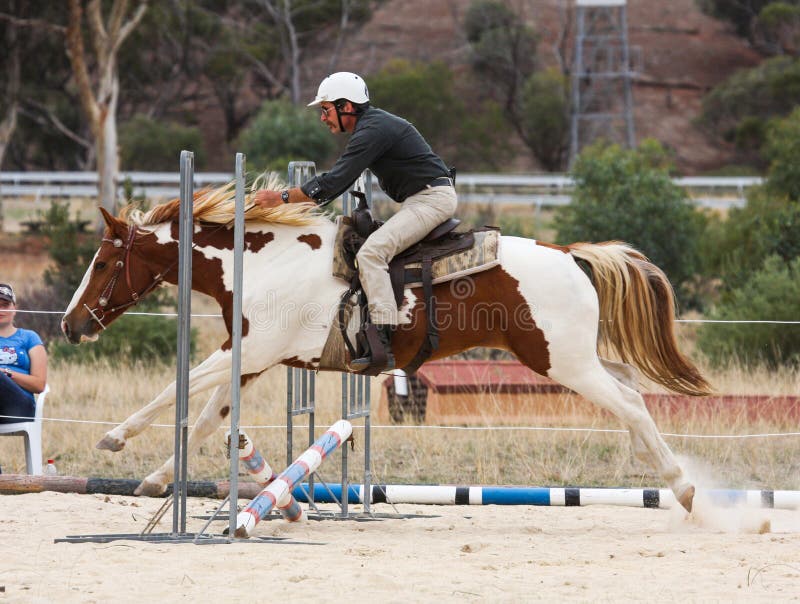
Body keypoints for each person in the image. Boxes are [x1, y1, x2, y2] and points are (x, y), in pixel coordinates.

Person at [253, 72, 458, 372]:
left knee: (371, 253)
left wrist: (280, 198)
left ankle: (384, 341)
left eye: (325, 110)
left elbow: (334, 182)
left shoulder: (371, 131)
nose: (323, 118)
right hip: (425, 198)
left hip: (430, 200)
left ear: (346, 105)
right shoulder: (373, 126)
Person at [0, 284, 47, 424]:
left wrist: (5, 373)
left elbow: (39, 385)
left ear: (15, 308)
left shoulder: (29, 337)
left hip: (19, 408)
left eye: (5, 305)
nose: (0, 309)